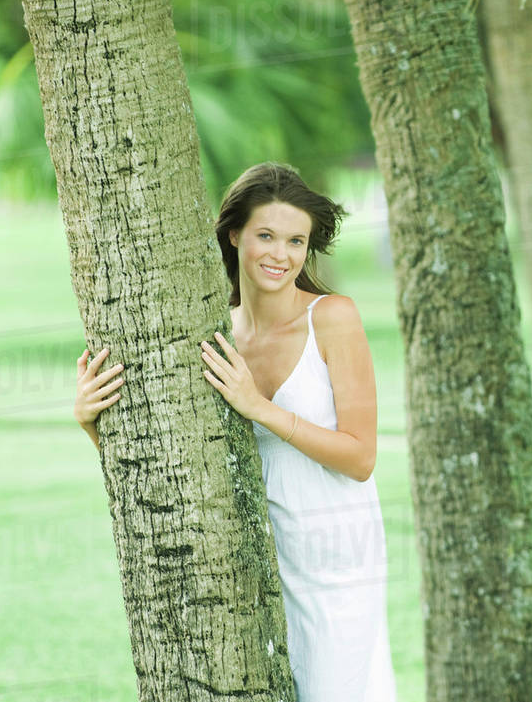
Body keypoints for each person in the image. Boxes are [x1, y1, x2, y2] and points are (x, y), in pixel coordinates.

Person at [73, 162, 398, 701]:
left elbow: (361, 457)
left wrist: (260, 408)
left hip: (334, 552)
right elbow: (177, 458)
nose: (281, 255)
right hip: (245, 553)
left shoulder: (333, 318)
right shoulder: (216, 336)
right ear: (234, 235)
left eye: (296, 240)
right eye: (265, 236)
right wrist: (91, 422)